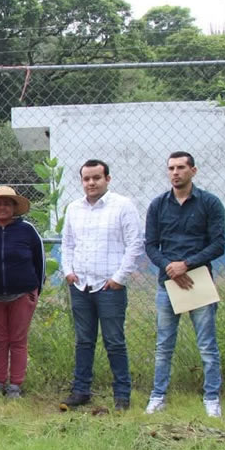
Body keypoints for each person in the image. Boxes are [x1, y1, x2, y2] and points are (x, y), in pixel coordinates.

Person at [143, 152, 225, 418]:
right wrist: (170, 267)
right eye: (171, 168)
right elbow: (150, 245)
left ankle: (212, 398)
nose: (175, 172)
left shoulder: (210, 203)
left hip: (198, 279)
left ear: (193, 171)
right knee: (164, 345)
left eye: (181, 167)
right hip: (166, 282)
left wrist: (186, 265)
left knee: (207, 346)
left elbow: (218, 244)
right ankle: (158, 396)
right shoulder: (157, 205)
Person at [60, 159, 144, 412]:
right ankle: (81, 390)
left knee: (114, 341)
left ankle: (122, 395)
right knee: (83, 341)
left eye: (96, 177)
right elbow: (67, 244)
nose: (91, 183)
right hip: (81, 285)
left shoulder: (123, 206)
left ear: (107, 178)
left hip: (110, 287)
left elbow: (135, 244)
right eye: (86, 178)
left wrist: (119, 277)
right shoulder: (74, 208)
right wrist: (68, 271)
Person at [0, 186, 44, 399]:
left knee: (18, 340)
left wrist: (35, 291)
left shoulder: (28, 230)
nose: (3, 207)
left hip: (22, 294)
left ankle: (15, 385)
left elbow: (39, 262)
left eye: (8, 203)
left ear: (15, 207)